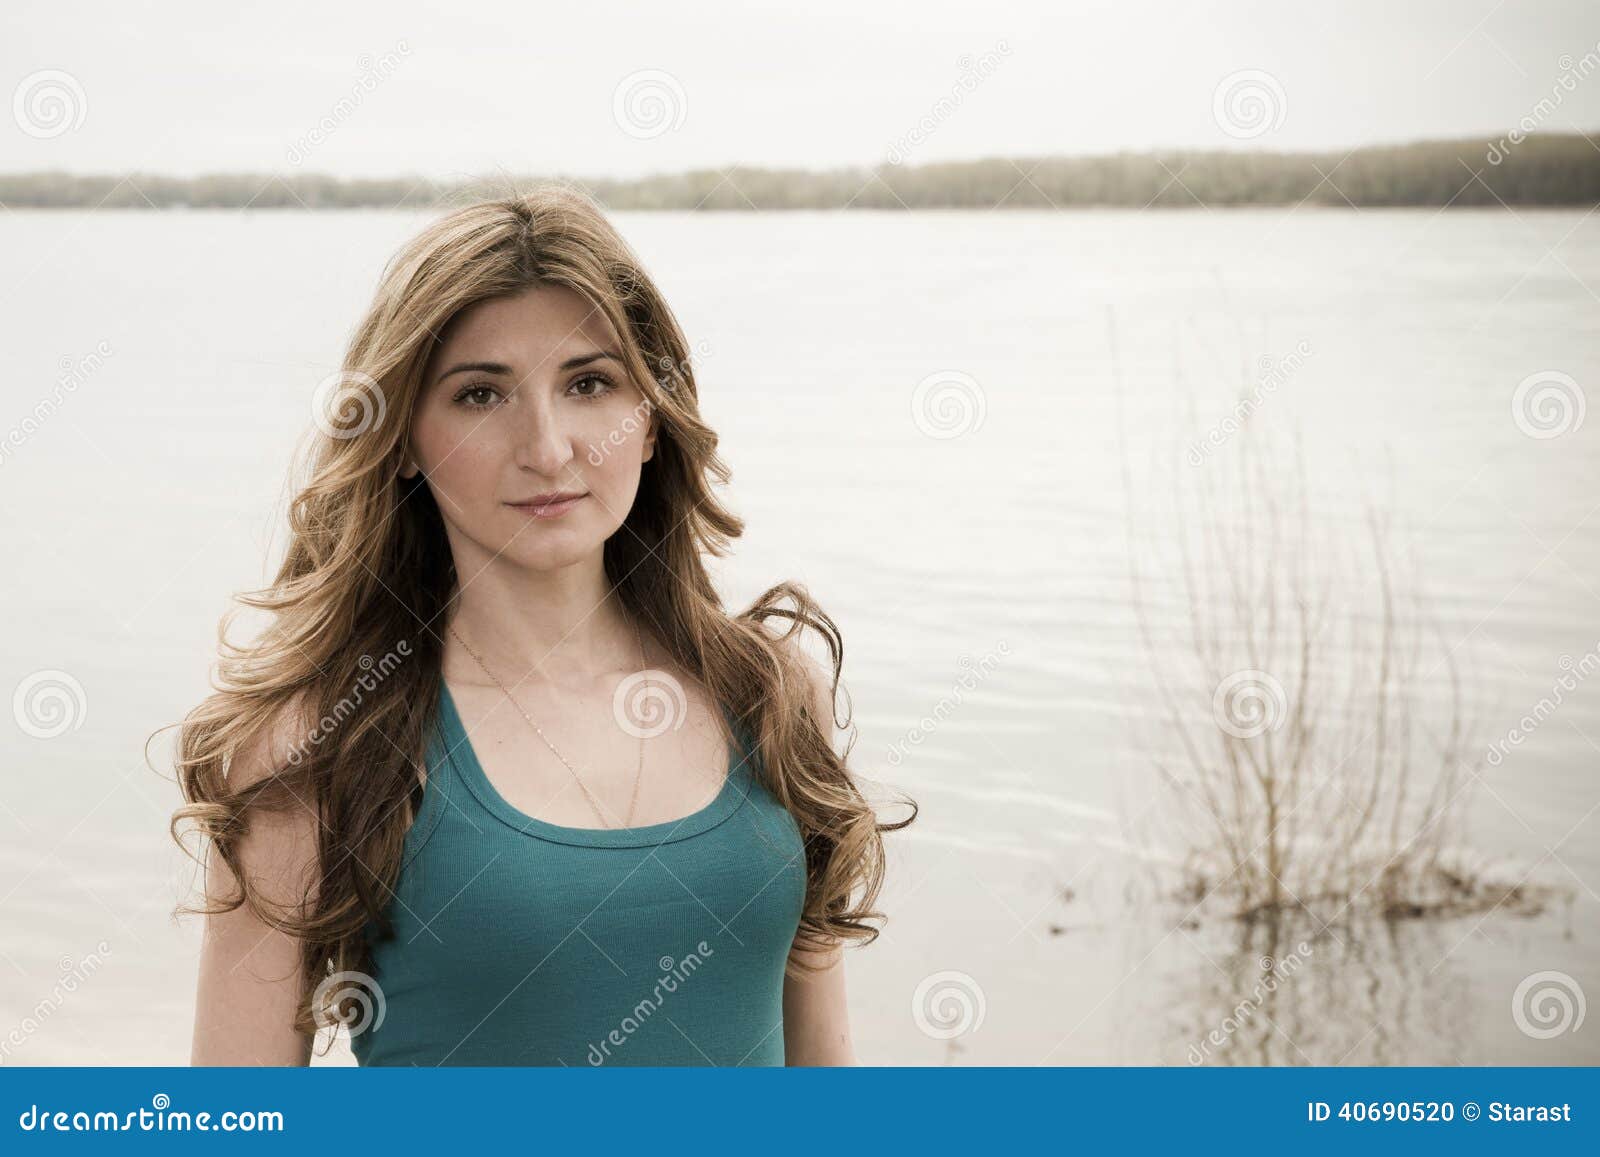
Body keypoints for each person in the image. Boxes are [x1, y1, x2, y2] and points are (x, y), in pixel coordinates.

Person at [167, 182, 914, 1066]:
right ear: (403, 438)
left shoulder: (773, 693)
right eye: (481, 395)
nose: (549, 447)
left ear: (648, 420)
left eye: (590, 383)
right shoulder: (315, 745)